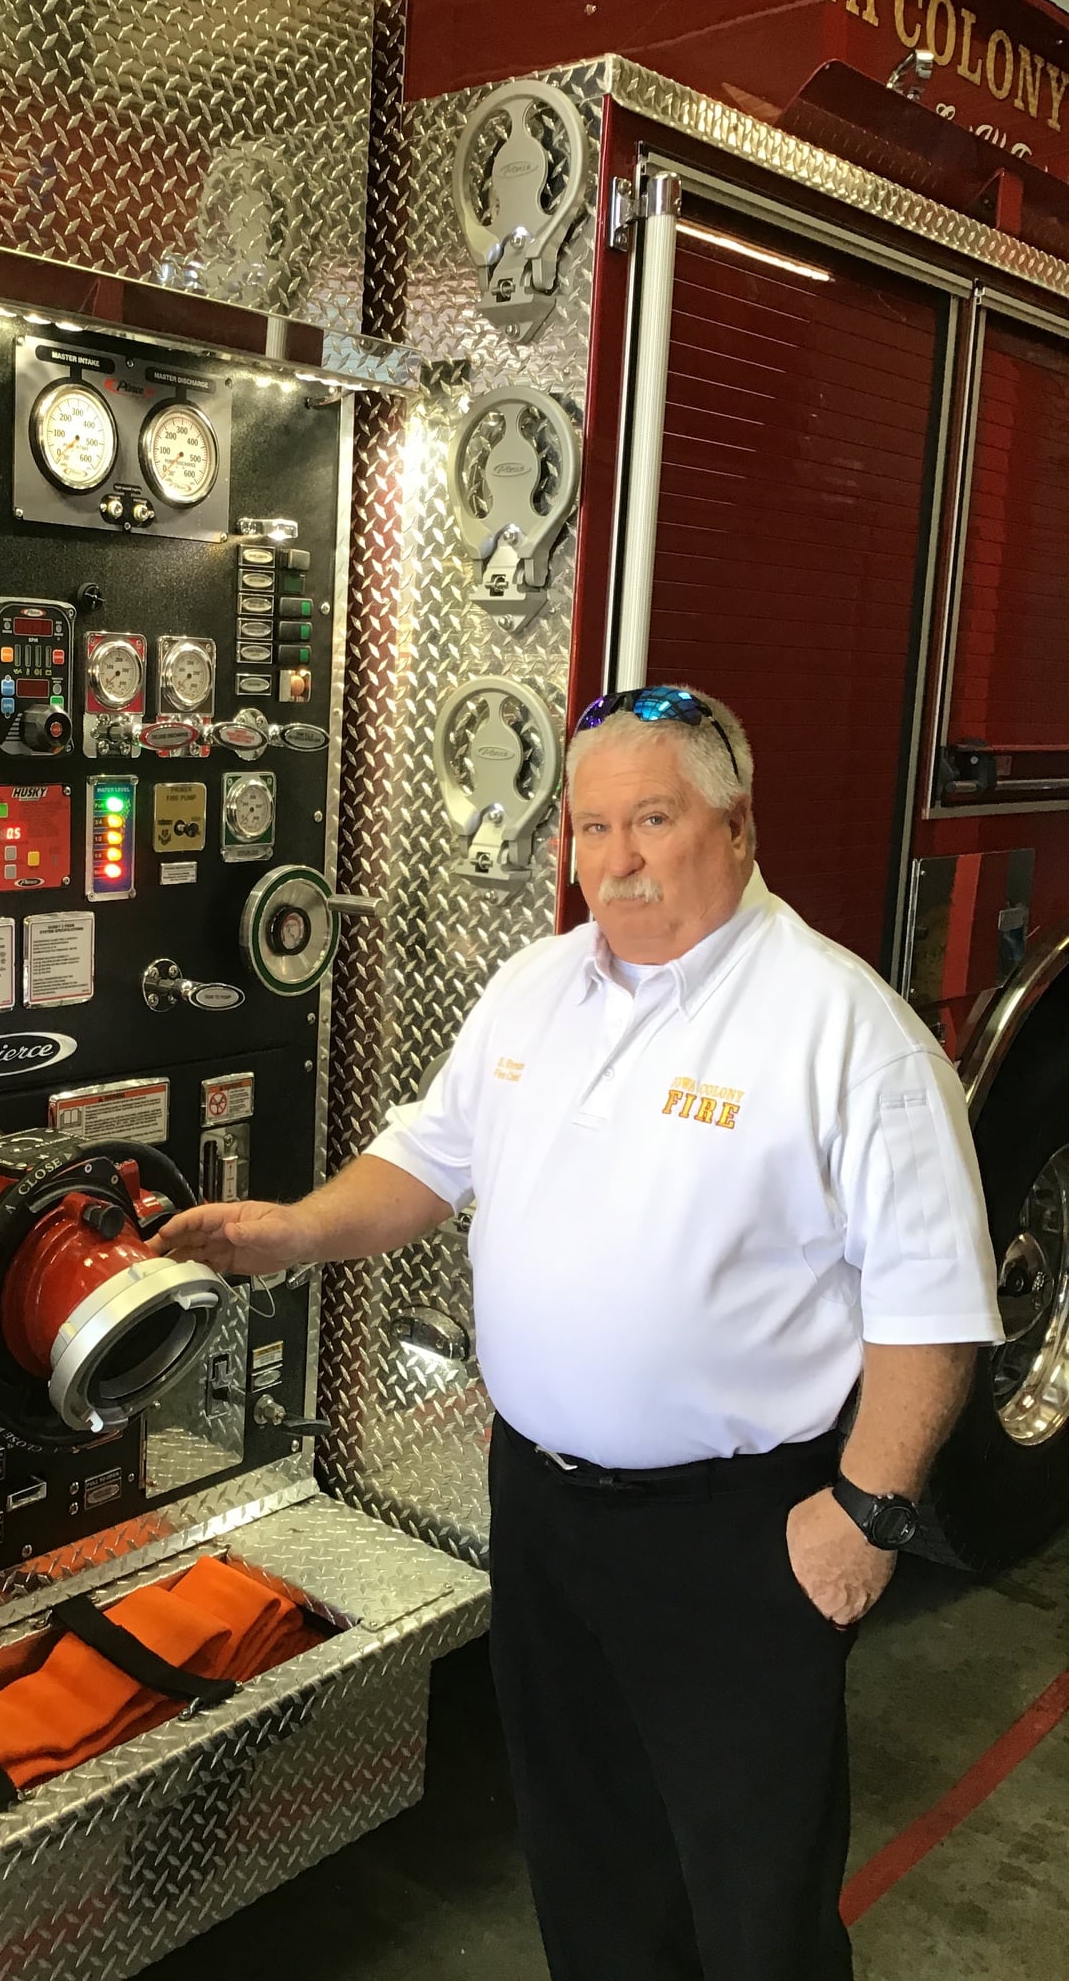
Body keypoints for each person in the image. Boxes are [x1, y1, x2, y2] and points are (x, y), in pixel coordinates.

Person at [157, 684, 1003, 1981]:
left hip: (736, 1535)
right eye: (590, 827)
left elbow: (930, 1305)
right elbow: (428, 1158)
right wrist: (295, 1232)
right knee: (585, 1854)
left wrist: (867, 1514)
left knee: (753, 1892)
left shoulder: (845, 1033)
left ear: (736, 825)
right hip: (544, 1512)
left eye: (651, 820)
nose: (614, 860)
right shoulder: (535, 987)